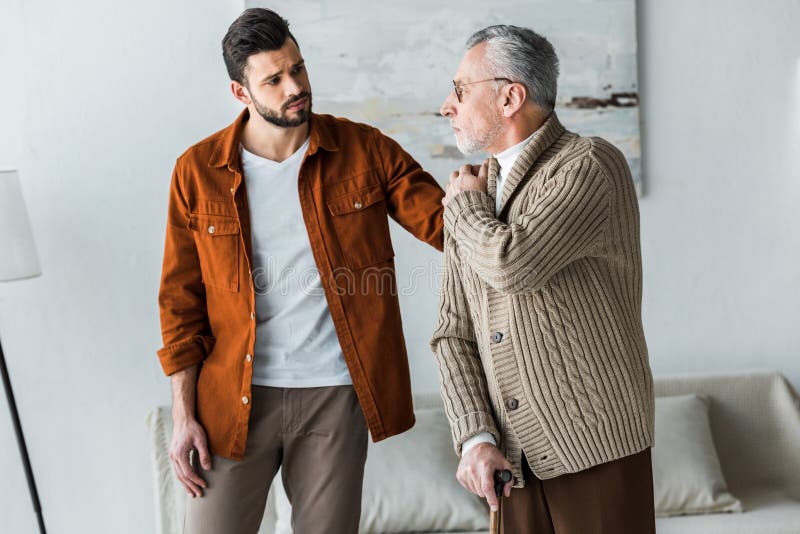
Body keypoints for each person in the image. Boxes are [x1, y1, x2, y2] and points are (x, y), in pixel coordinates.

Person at [156, 8, 444, 533]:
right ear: (240, 93)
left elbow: (447, 227)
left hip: (334, 397)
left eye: (299, 68)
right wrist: (182, 415)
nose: (295, 86)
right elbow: (180, 304)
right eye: (274, 79)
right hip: (230, 402)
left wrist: (493, 185)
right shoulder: (197, 172)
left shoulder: (365, 150)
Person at [431, 25, 656, 533]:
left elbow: (514, 264)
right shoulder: (473, 194)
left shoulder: (590, 165)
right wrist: (475, 438)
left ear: (511, 96)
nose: (448, 105)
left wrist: (464, 209)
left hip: (598, 452)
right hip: (509, 466)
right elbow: (453, 332)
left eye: (461, 90)